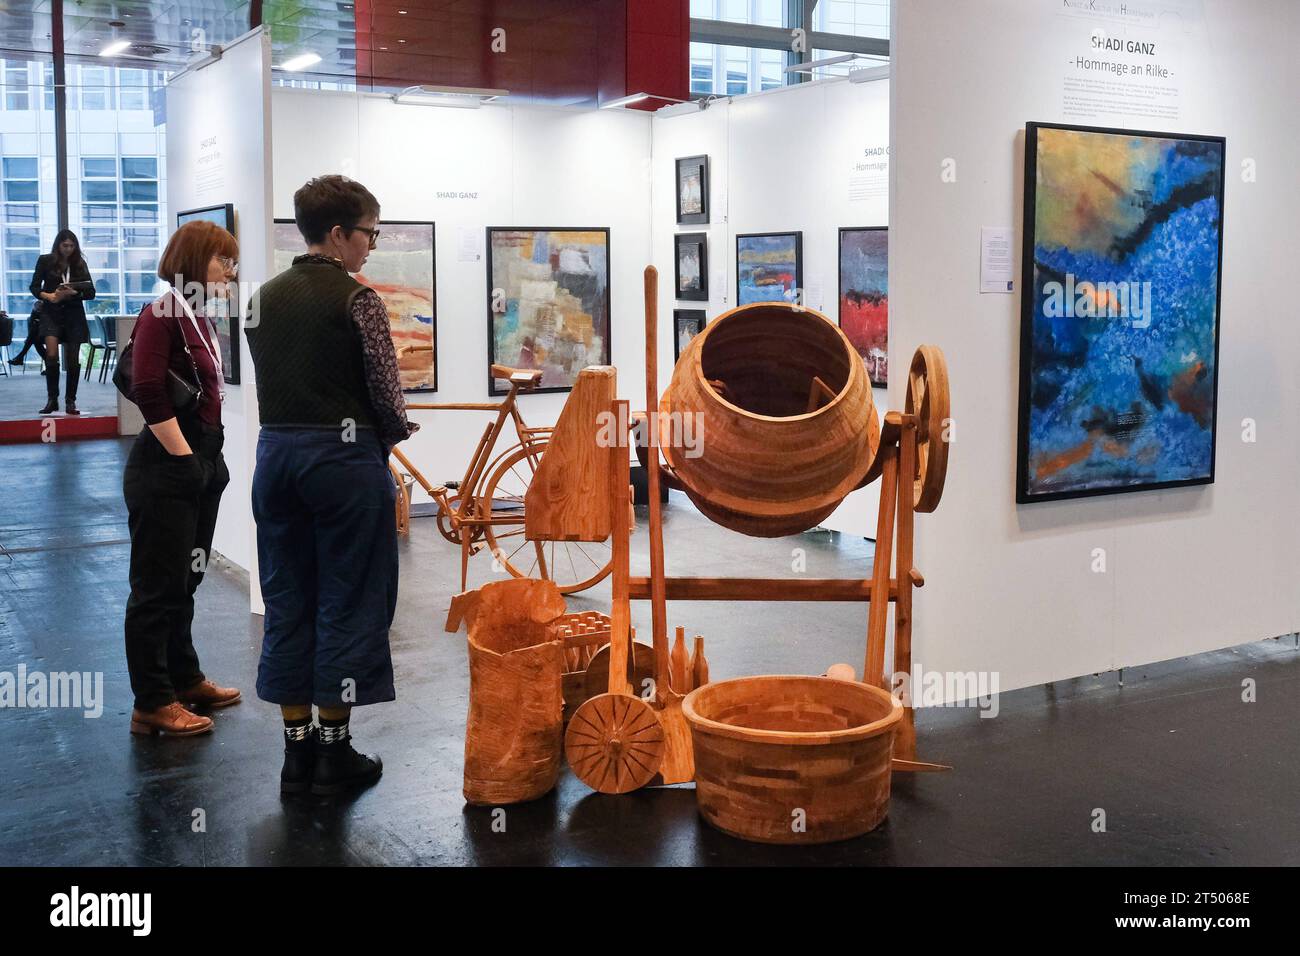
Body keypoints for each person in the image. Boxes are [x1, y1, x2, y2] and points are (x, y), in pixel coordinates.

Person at [247, 175, 418, 796]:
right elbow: (386, 397)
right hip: (342, 466)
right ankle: (335, 751)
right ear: (341, 232)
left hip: (277, 460)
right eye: (370, 233)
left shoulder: (262, 297)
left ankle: (296, 756)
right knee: (348, 597)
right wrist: (394, 434)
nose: (371, 245)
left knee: (287, 595)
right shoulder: (358, 300)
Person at [123, 221, 242, 737]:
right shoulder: (162, 311)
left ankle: (184, 678)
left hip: (199, 462)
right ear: (194, 263)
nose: (231, 273)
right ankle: (152, 702)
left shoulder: (197, 316)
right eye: (223, 262)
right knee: (156, 587)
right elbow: (148, 390)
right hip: (167, 466)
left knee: (186, 578)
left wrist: (205, 464)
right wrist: (183, 459)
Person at [30, 230, 95, 414]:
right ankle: (52, 399)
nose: (68, 249)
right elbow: (34, 286)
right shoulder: (45, 261)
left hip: (74, 314)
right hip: (52, 312)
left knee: (73, 359)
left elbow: (91, 292)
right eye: (65, 245)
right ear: (58, 245)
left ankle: (70, 401)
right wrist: (48, 296)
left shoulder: (79, 264)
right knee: (51, 355)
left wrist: (76, 293)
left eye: (72, 246)